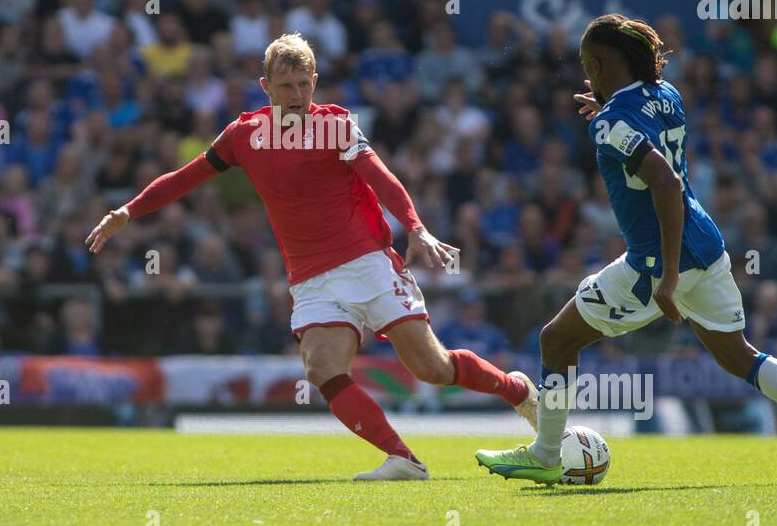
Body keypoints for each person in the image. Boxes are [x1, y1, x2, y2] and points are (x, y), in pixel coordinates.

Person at [87, 33, 537, 481]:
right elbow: (185, 178)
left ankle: (518, 391)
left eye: (305, 84)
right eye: (287, 86)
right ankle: (403, 459)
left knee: (432, 369)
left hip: (369, 264)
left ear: (316, 81)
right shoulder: (243, 136)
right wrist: (128, 211)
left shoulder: (337, 127)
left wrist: (416, 228)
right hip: (310, 279)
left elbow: (382, 178)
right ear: (266, 88)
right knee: (323, 368)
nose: (298, 95)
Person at [475, 15, 777, 485]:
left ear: (600, 64)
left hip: (656, 262)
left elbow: (662, 178)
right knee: (738, 356)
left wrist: (665, 275)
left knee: (557, 340)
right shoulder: (668, 96)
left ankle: (545, 453)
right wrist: (607, 107)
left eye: (588, 65)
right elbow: (644, 131)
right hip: (706, 246)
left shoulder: (608, 124)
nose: (586, 74)